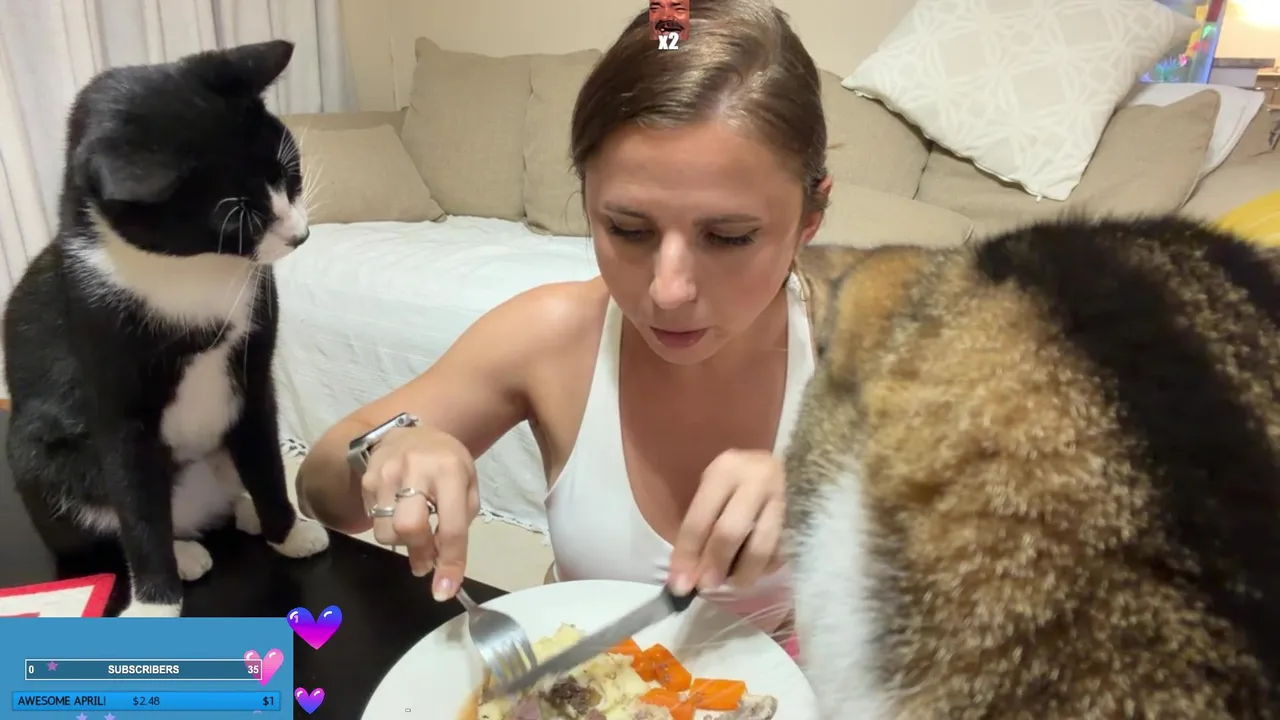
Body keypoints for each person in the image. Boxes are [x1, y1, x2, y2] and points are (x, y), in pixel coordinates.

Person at [295, 0, 831, 634]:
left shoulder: (876, 348)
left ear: (809, 220)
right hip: (590, 672)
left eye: (730, 237)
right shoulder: (550, 335)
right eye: (627, 229)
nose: (668, 291)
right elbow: (320, 492)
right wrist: (389, 452)